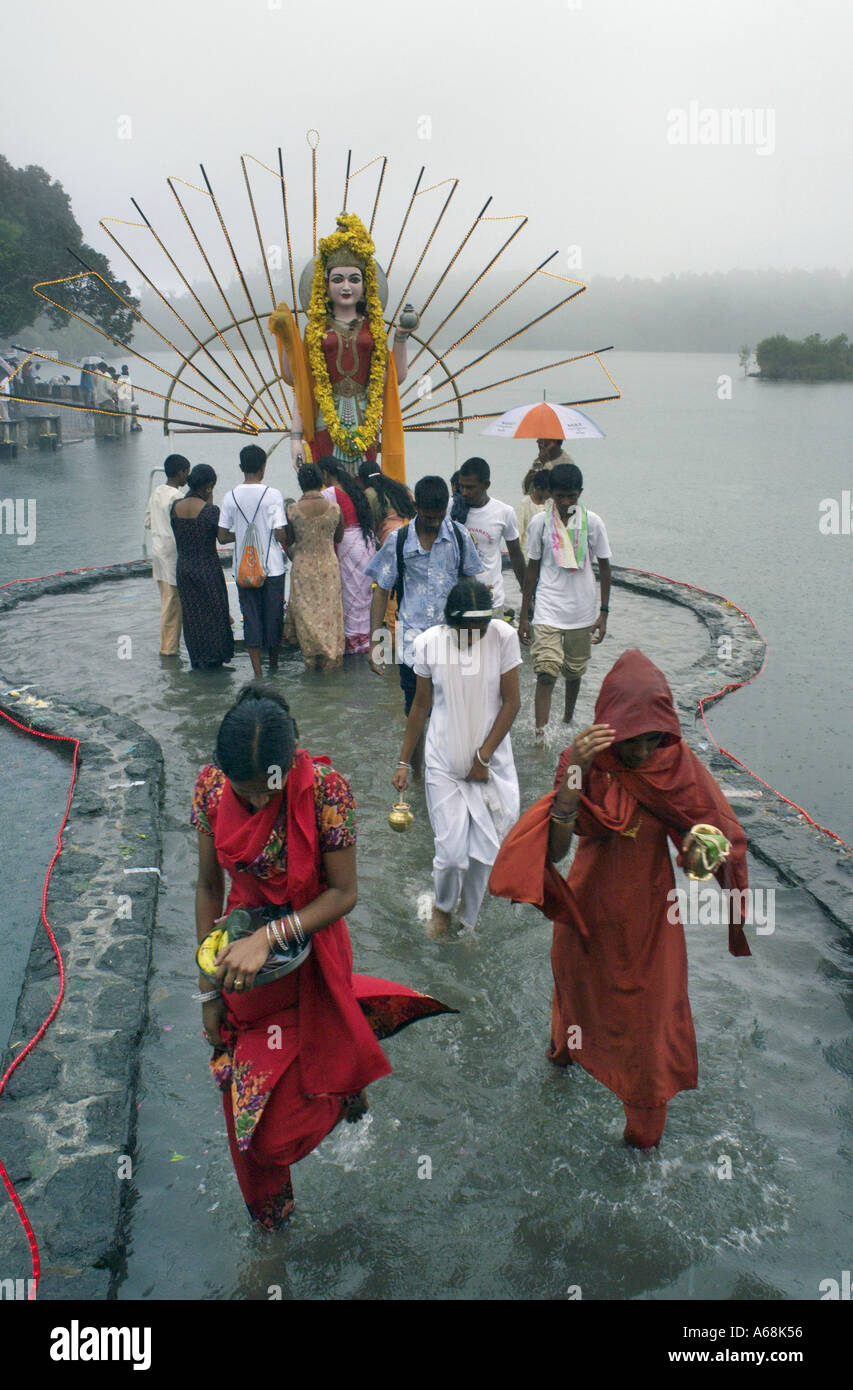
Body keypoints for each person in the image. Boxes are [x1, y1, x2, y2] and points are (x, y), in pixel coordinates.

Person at [192, 683, 454, 1228]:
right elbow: (206, 887)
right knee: (250, 1112)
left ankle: (342, 1091)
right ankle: (273, 1218)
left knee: (328, 1050)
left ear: (290, 762)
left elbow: (343, 894)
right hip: (242, 963)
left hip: (311, 947)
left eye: (269, 790)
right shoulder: (212, 790)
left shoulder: (327, 791)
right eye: (249, 794)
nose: (260, 803)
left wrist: (273, 934)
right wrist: (209, 991)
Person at [489, 650, 751, 1149]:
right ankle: (561, 1062)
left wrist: (702, 851)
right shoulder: (585, 764)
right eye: (633, 740)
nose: (643, 750)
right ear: (610, 729)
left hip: (651, 919)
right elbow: (559, 848)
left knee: (650, 1027)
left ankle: (641, 1139)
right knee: (575, 996)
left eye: (654, 737)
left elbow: (715, 838)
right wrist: (576, 768)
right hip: (586, 913)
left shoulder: (675, 765)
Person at [393, 579, 521, 936]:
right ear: (450, 624)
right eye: (465, 631)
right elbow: (420, 705)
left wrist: (483, 756)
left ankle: (468, 922)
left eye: (480, 630)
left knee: (483, 855)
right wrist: (404, 762)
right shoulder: (430, 644)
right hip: (444, 760)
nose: (474, 638)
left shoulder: (503, 637)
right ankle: (443, 909)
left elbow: (512, 702)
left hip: (490, 761)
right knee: (451, 855)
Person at [269, 212, 415, 481]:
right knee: (330, 490)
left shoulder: (373, 329)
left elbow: (395, 378)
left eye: (354, 279)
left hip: (365, 423)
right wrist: (295, 438)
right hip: (325, 419)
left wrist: (401, 337)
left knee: (366, 489)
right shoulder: (316, 330)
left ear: (365, 284)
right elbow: (299, 383)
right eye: (338, 280)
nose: (346, 287)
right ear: (325, 285)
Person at [366, 476, 483, 765]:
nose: (434, 522)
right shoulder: (399, 540)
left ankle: (450, 767)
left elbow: (470, 581)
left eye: (439, 516)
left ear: (447, 507)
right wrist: (376, 642)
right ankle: (415, 775)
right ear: (417, 506)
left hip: (453, 642)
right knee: (415, 712)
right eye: (428, 517)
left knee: (453, 710)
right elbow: (382, 591)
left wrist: (477, 634)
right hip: (412, 643)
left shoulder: (458, 536)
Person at [518, 462, 612, 746]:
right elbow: (532, 568)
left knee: (573, 672)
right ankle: (540, 735)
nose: (567, 503)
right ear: (551, 495)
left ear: (580, 493)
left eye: (572, 496)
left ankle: (568, 720)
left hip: (581, 611)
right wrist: (524, 615)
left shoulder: (593, 523)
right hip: (548, 607)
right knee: (546, 672)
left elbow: (605, 569)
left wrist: (604, 613)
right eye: (560, 497)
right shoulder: (541, 523)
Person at [217, 445, 288, 678]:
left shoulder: (230, 496)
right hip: (273, 567)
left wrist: (244, 533)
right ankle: (274, 666)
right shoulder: (273, 495)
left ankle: (257, 672)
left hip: (244, 569)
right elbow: (280, 534)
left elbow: (222, 535)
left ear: (240, 467)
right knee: (274, 617)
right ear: (263, 467)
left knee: (251, 617)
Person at [171, 464, 234, 670]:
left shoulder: (175, 507)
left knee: (193, 616)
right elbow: (222, 538)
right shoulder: (210, 511)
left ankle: (197, 658)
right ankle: (215, 658)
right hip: (207, 568)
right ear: (208, 486)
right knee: (215, 614)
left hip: (184, 568)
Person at [282, 463, 345, 671]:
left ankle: (311, 660)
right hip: (328, 566)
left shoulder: (292, 510)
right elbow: (339, 537)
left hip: (303, 567)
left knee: (307, 614)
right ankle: (330, 656)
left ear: (301, 483)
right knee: (329, 613)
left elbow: (290, 539)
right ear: (321, 481)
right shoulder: (335, 509)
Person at [451, 457, 526, 617]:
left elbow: (515, 555)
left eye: (470, 487)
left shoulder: (504, 512)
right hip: (457, 600)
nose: (464, 492)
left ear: (486, 485)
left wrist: (527, 596)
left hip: (491, 601)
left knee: (491, 642)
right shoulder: (451, 509)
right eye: (461, 486)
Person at [319, 459, 376, 655]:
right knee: (363, 596)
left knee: (349, 596)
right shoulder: (354, 488)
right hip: (365, 542)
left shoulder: (329, 493)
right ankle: (365, 642)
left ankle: (352, 645)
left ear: (325, 473)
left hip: (348, 545)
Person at [359, 461, 416, 634]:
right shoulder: (400, 488)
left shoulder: (369, 494)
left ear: (362, 480)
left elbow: (369, 525)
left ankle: (395, 639)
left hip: (392, 544)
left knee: (391, 594)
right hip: (413, 539)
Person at [144, 453, 190, 656]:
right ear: (180, 472)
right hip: (173, 555)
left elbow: (148, 521)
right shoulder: (178, 498)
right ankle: (169, 649)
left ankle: (169, 646)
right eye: (186, 473)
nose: (186, 477)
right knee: (172, 606)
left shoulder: (157, 492)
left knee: (167, 602)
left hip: (158, 553)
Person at [516, 468, 551, 562]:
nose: (551, 493)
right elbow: (519, 532)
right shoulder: (525, 504)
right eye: (549, 490)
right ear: (539, 489)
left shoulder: (550, 504)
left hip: (545, 557)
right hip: (527, 556)